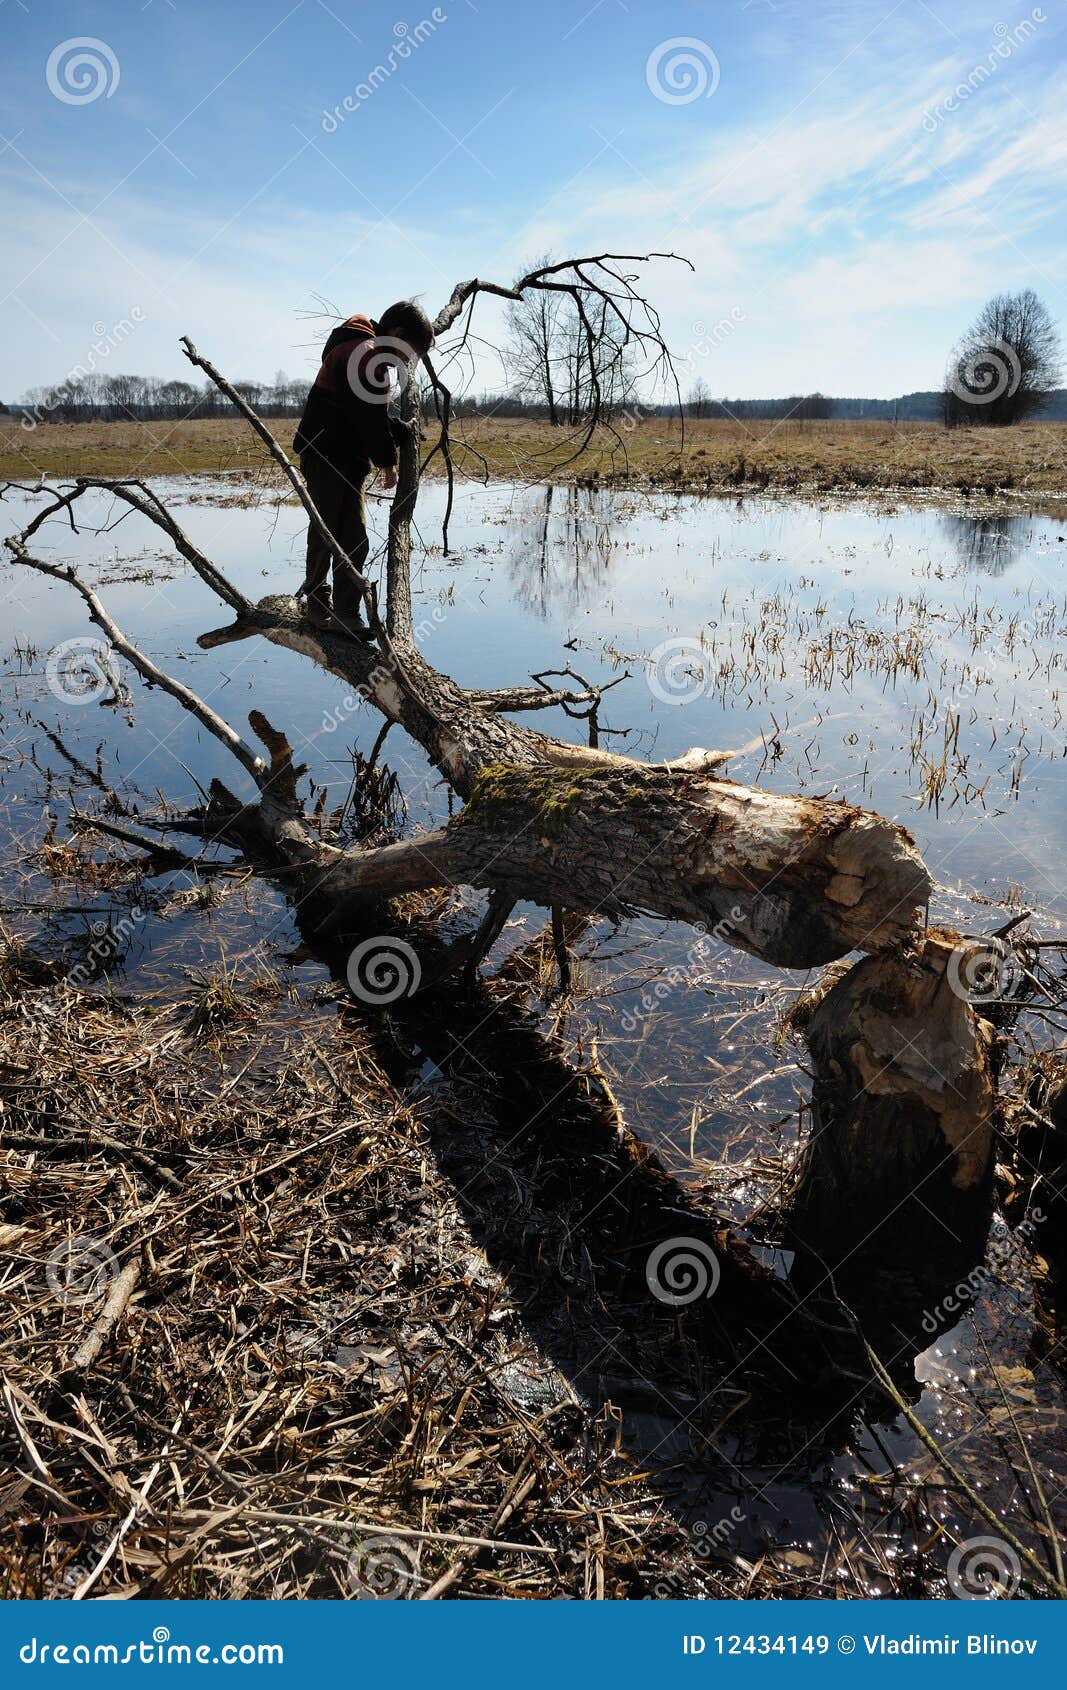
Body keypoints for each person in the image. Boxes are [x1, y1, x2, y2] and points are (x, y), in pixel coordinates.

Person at [293, 300, 435, 634]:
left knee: (354, 537)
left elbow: (365, 411)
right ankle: (318, 605)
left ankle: (345, 613)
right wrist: (389, 464)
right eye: (407, 353)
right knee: (327, 530)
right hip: (326, 454)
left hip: (347, 459)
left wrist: (401, 429)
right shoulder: (366, 352)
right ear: (398, 334)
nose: (406, 361)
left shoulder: (366, 350)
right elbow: (368, 419)